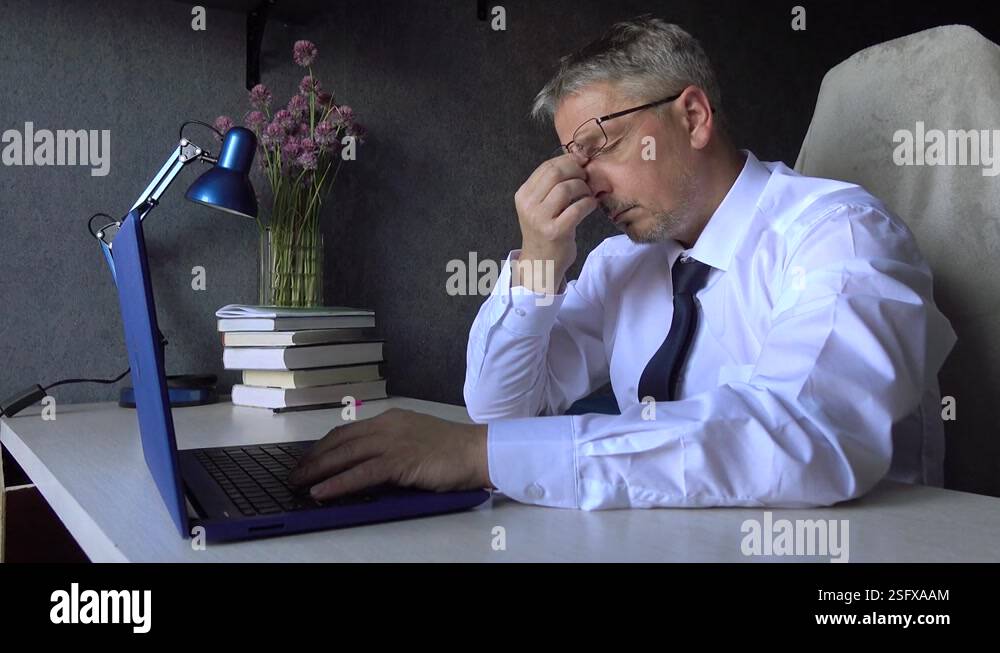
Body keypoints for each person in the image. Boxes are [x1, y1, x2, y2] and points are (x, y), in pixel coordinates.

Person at [290, 16, 957, 510]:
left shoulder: (840, 234)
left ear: (692, 116)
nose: (587, 182)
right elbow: (500, 409)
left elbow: (802, 437)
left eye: (600, 145)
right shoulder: (623, 264)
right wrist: (539, 265)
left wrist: (477, 455)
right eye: (572, 159)